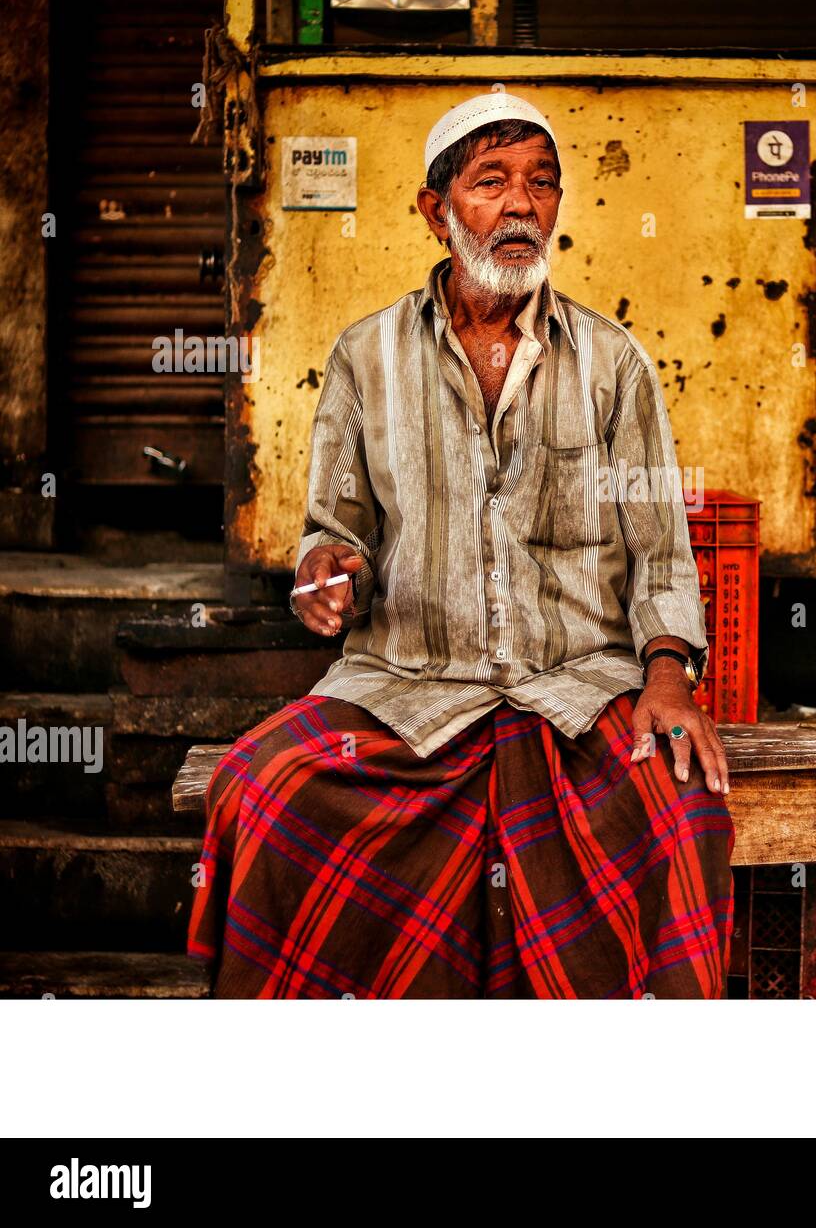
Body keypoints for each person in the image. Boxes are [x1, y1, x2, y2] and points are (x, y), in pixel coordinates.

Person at [187, 91, 735, 998]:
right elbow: (335, 534)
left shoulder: (615, 363)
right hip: (408, 688)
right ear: (435, 211)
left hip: (572, 690)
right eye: (492, 183)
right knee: (259, 793)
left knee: (685, 814)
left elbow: (661, 550)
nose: (521, 206)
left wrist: (671, 677)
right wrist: (329, 577)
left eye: (541, 184)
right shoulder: (366, 357)